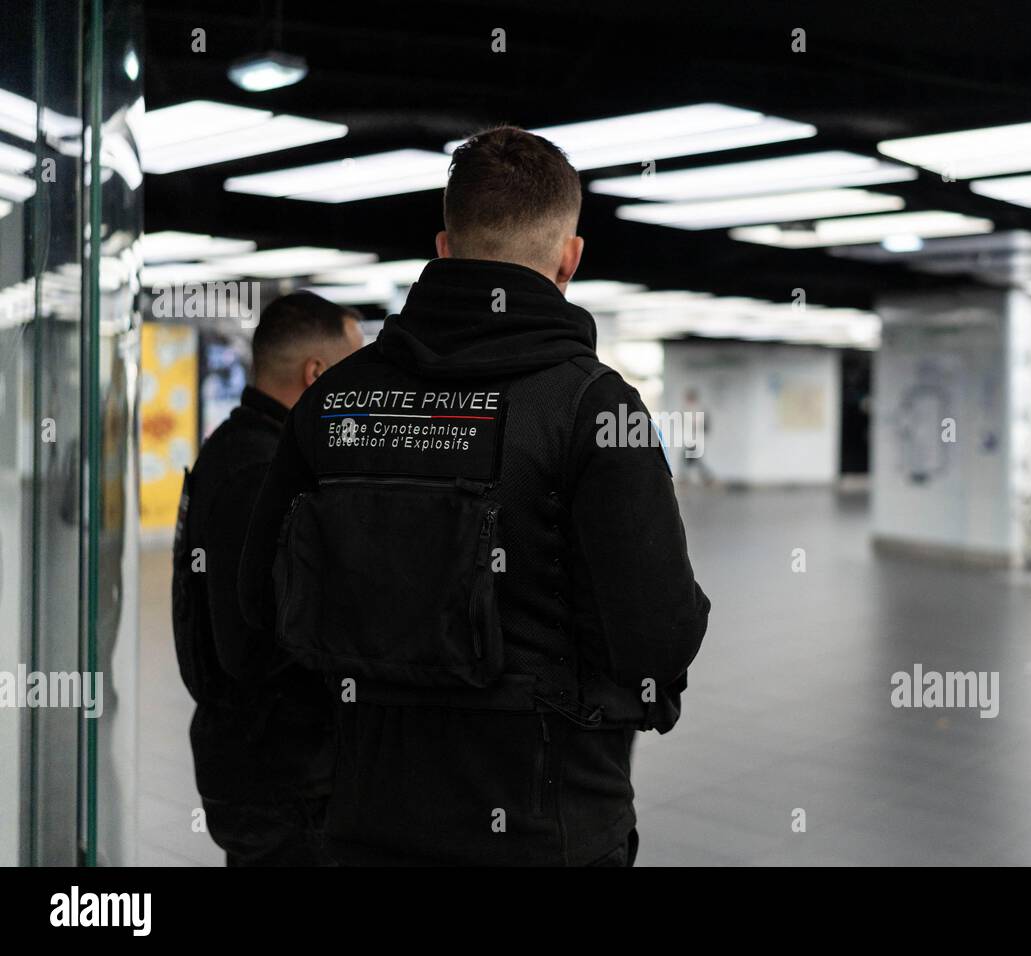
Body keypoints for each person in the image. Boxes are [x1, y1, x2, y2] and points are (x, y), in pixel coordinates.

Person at [237, 126, 710, 866]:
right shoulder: (594, 411)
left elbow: (261, 608)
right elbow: (657, 637)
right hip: (550, 829)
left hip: (365, 822)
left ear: (444, 247)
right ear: (569, 256)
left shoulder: (332, 401)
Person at [172, 291, 363, 865]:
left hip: (261, 768)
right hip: (281, 779)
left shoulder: (238, 449)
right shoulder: (260, 474)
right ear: (317, 376)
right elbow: (250, 647)